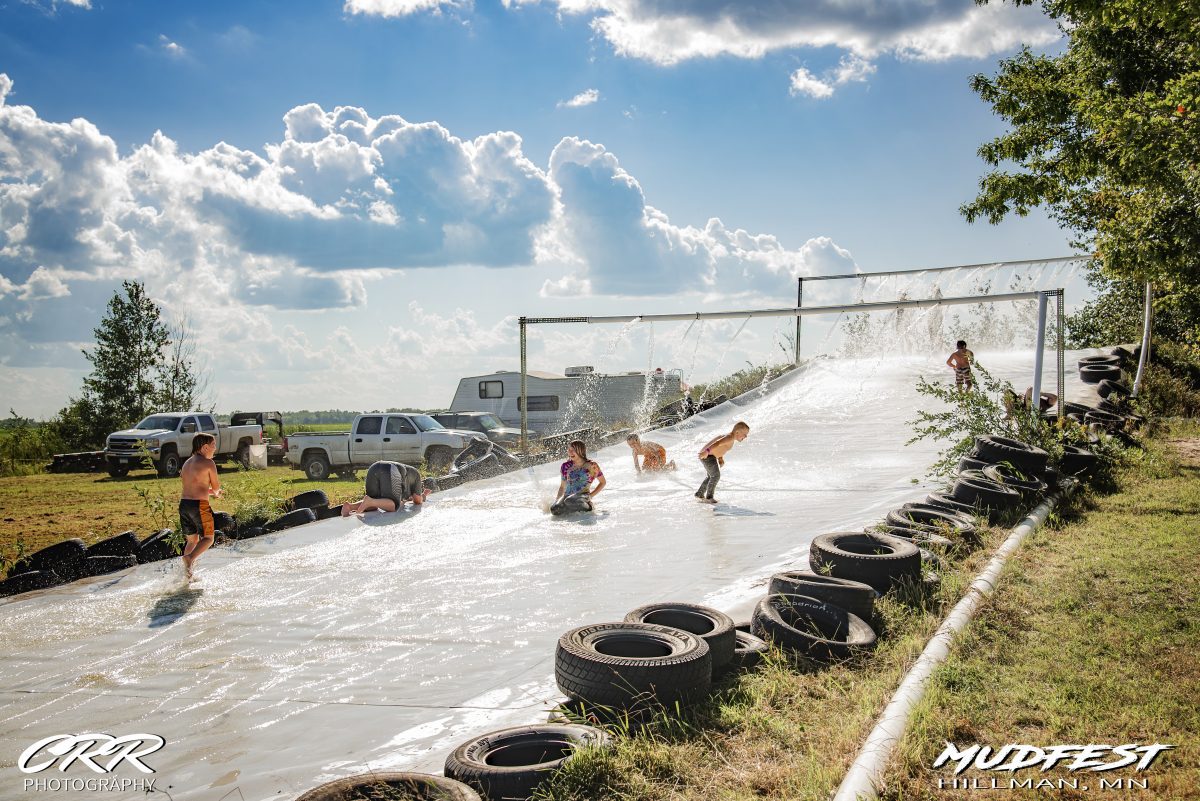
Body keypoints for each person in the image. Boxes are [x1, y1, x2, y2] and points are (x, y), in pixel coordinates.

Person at [179, 432, 222, 580]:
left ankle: (187, 574)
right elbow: (216, 487)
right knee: (209, 538)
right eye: (213, 445)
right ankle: (190, 558)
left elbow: (195, 487)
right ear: (204, 447)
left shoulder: (187, 463)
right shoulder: (208, 463)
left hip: (184, 505)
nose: (215, 448)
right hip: (199, 506)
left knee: (192, 541)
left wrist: (210, 492)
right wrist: (216, 492)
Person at [341, 460, 429, 517]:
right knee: (393, 505)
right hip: (391, 469)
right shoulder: (417, 475)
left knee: (373, 505)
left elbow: (406, 497)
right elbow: (417, 500)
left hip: (374, 467)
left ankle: (350, 506)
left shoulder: (409, 477)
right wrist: (423, 496)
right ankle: (370, 501)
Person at [695, 421, 750, 504]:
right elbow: (717, 443)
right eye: (745, 434)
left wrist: (720, 457)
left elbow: (721, 448)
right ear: (737, 432)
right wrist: (707, 451)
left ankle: (699, 493)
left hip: (710, 456)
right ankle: (709, 497)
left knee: (711, 476)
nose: (746, 436)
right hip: (707, 456)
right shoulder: (729, 437)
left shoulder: (729, 438)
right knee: (715, 476)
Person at [551, 439, 605, 515]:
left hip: (583, 496)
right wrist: (557, 500)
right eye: (569, 450)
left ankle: (588, 506)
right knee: (555, 509)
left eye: (573, 450)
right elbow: (562, 487)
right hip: (567, 496)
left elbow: (603, 482)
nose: (570, 452)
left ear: (581, 451)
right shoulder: (565, 466)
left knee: (570, 501)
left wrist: (590, 496)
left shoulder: (591, 465)